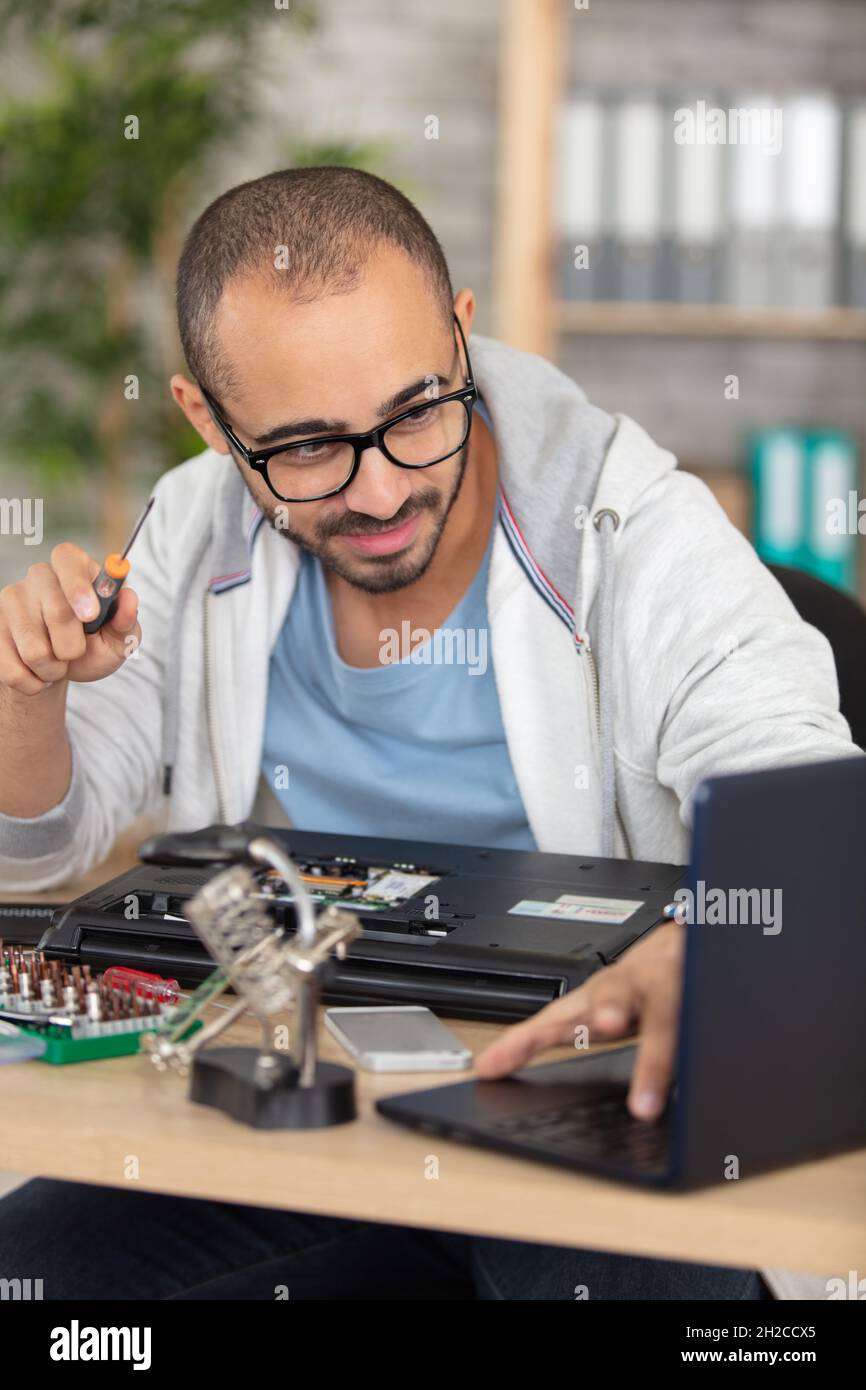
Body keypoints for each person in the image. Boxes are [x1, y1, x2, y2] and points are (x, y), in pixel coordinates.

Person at [0, 168, 853, 1299]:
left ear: (460, 334)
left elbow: (813, 820)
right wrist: (25, 690)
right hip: (316, 1096)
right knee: (37, 1279)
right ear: (210, 420)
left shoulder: (635, 533)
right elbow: (43, 850)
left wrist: (720, 940)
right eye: (306, 448)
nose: (382, 488)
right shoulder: (191, 525)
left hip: (586, 1101)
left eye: (414, 414)